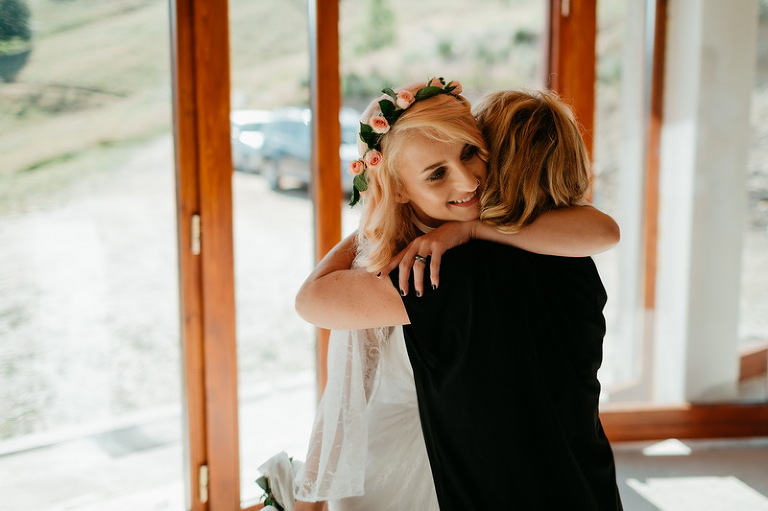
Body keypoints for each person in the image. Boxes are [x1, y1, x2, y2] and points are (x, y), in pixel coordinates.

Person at [292, 80, 621, 511]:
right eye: (436, 173)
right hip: (577, 476)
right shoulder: (569, 257)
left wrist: (401, 216)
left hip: (451, 476)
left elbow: (312, 299)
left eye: (470, 152)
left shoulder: (439, 273)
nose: (467, 180)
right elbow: (603, 230)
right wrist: (389, 216)